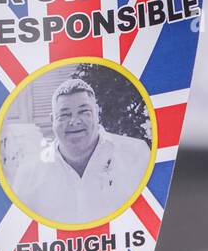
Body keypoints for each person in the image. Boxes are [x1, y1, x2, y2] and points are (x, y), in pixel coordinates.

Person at [11, 76, 151, 223]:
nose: (75, 121)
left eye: (84, 111)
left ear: (97, 113)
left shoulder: (136, 154)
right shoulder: (29, 172)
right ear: (52, 120)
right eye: (64, 114)